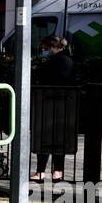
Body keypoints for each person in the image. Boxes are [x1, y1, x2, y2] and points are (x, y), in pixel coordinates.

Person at [31, 35, 76, 181]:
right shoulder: (69, 60)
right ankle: (58, 171)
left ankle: (41, 171)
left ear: (53, 47)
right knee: (59, 139)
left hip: (48, 104)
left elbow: (45, 78)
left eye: (46, 48)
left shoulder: (55, 62)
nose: (44, 51)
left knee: (44, 138)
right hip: (64, 106)